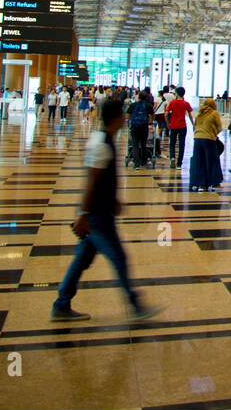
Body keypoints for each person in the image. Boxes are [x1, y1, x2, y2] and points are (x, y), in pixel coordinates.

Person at [51, 98, 163, 323]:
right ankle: (135, 304)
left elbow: (99, 179)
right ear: (114, 118)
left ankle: (61, 304)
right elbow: (91, 181)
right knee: (118, 257)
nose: (125, 118)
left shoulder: (103, 139)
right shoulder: (101, 143)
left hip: (99, 212)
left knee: (81, 260)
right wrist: (83, 215)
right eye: (122, 115)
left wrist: (113, 200)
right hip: (97, 216)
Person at [189, 98, 224, 192]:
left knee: (199, 161)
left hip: (197, 138)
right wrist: (213, 133)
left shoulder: (199, 113)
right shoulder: (214, 113)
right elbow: (220, 127)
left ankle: (201, 184)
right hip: (209, 139)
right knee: (212, 160)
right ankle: (214, 183)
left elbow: (194, 126)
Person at [165, 86, 193, 169]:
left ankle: (172, 157)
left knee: (172, 143)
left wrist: (168, 124)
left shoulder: (172, 103)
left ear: (177, 94)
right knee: (182, 144)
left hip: (173, 125)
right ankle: (179, 164)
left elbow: (166, 114)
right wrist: (193, 125)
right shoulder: (186, 103)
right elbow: (190, 115)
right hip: (182, 126)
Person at [127, 89, 154, 168]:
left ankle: (136, 163)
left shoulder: (133, 105)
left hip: (134, 127)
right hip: (144, 127)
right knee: (143, 144)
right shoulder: (148, 105)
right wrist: (150, 122)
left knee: (135, 144)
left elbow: (128, 115)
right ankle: (143, 161)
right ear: (146, 98)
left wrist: (132, 121)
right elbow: (152, 115)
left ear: (138, 97)